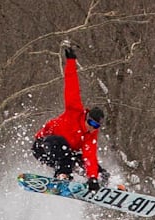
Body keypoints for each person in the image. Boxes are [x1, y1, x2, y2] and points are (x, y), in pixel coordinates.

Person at [32, 46, 108, 191]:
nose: (92, 128)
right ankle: (62, 175)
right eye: (91, 123)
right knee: (63, 146)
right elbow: (71, 84)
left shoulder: (91, 134)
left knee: (95, 169)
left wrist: (93, 177)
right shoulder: (75, 110)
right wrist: (71, 61)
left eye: (96, 126)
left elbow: (89, 156)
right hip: (44, 146)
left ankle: (103, 184)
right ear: (87, 117)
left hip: (66, 155)